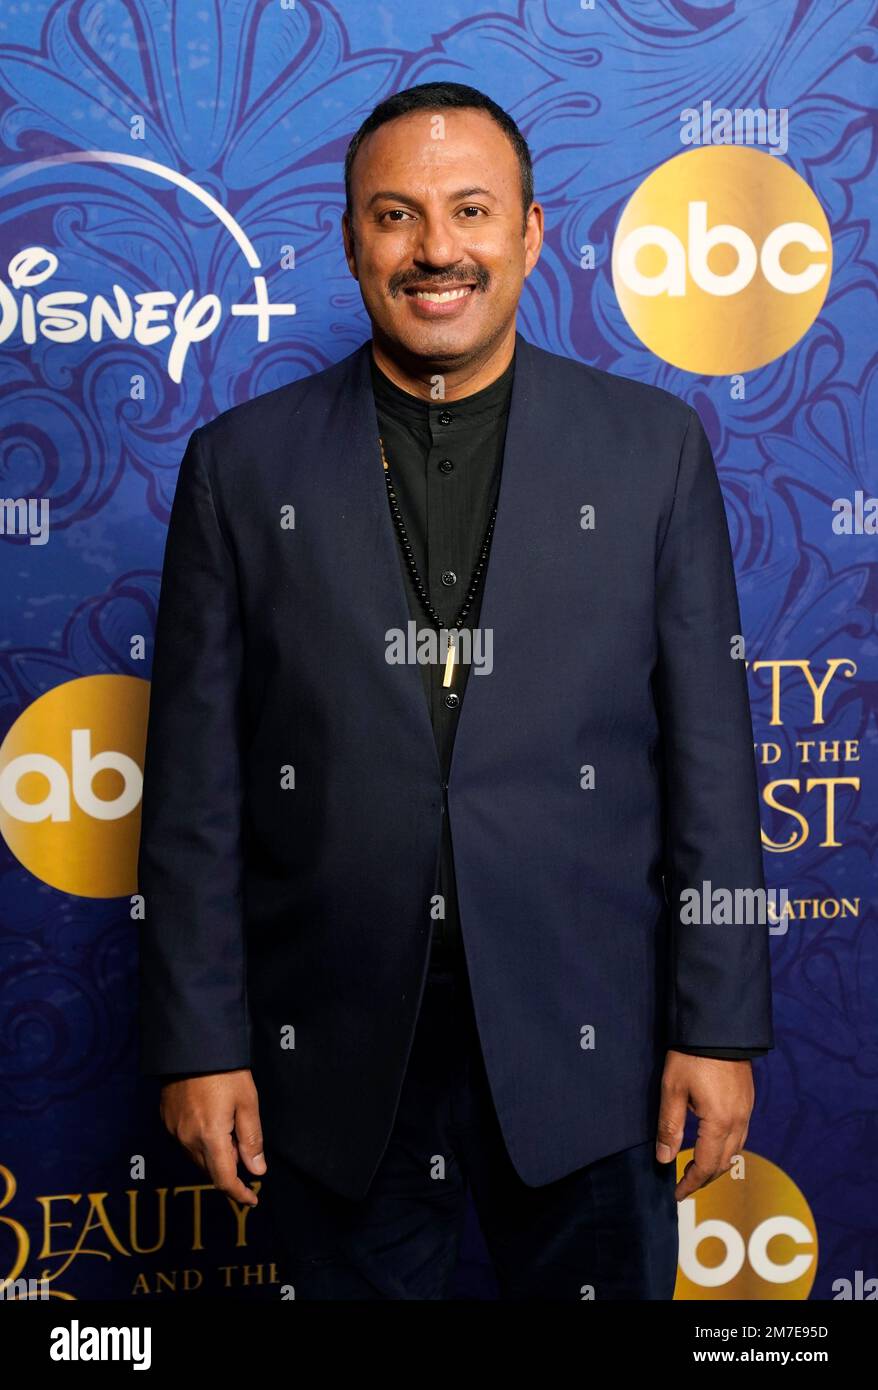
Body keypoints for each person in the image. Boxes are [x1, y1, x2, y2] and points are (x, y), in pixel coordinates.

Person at [138, 81, 774, 1301]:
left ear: (530, 233)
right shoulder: (239, 467)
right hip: (326, 1065)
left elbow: (710, 759)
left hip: (596, 1054)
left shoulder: (651, 450)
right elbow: (194, 793)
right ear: (350, 242)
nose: (436, 248)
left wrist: (717, 1024)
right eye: (395, 215)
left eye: (470, 210)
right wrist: (201, 1040)